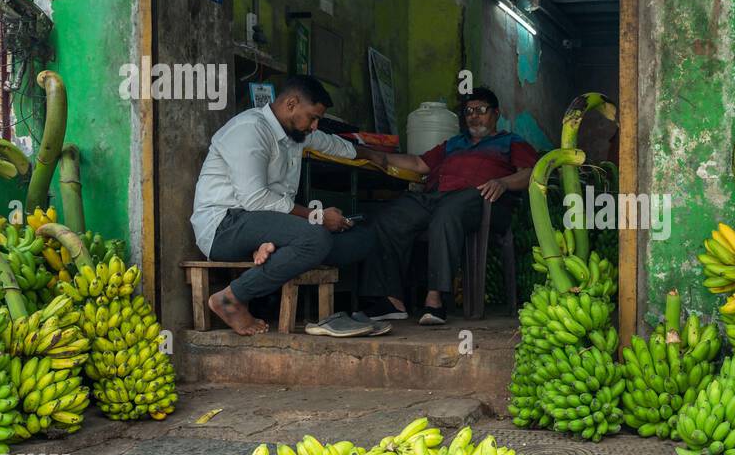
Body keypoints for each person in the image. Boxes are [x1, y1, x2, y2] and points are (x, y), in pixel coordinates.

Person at [190, 75, 409, 335]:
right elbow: (254, 199)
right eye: (313, 117)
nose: (315, 126)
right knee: (315, 237)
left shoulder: (297, 133)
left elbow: (334, 144)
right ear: (291, 104)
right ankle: (230, 298)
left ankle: (273, 247)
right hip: (225, 226)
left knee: (360, 238)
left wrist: (375, 155)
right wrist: (316, 216)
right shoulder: (250, 129)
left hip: (264, 223)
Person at [358, 86, 538, 325]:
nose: (474, 115)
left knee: (446, 213)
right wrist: (377, 156)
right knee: (390, 217)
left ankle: (435, 300)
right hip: (438, 197)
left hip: (484, 200)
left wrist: (503, 182)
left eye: (481, 110)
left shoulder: (510, 142)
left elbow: (531, 173)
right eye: (469, 111)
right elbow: (419, 163)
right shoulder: (454, 143)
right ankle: (392, 300)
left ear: (496, 113)